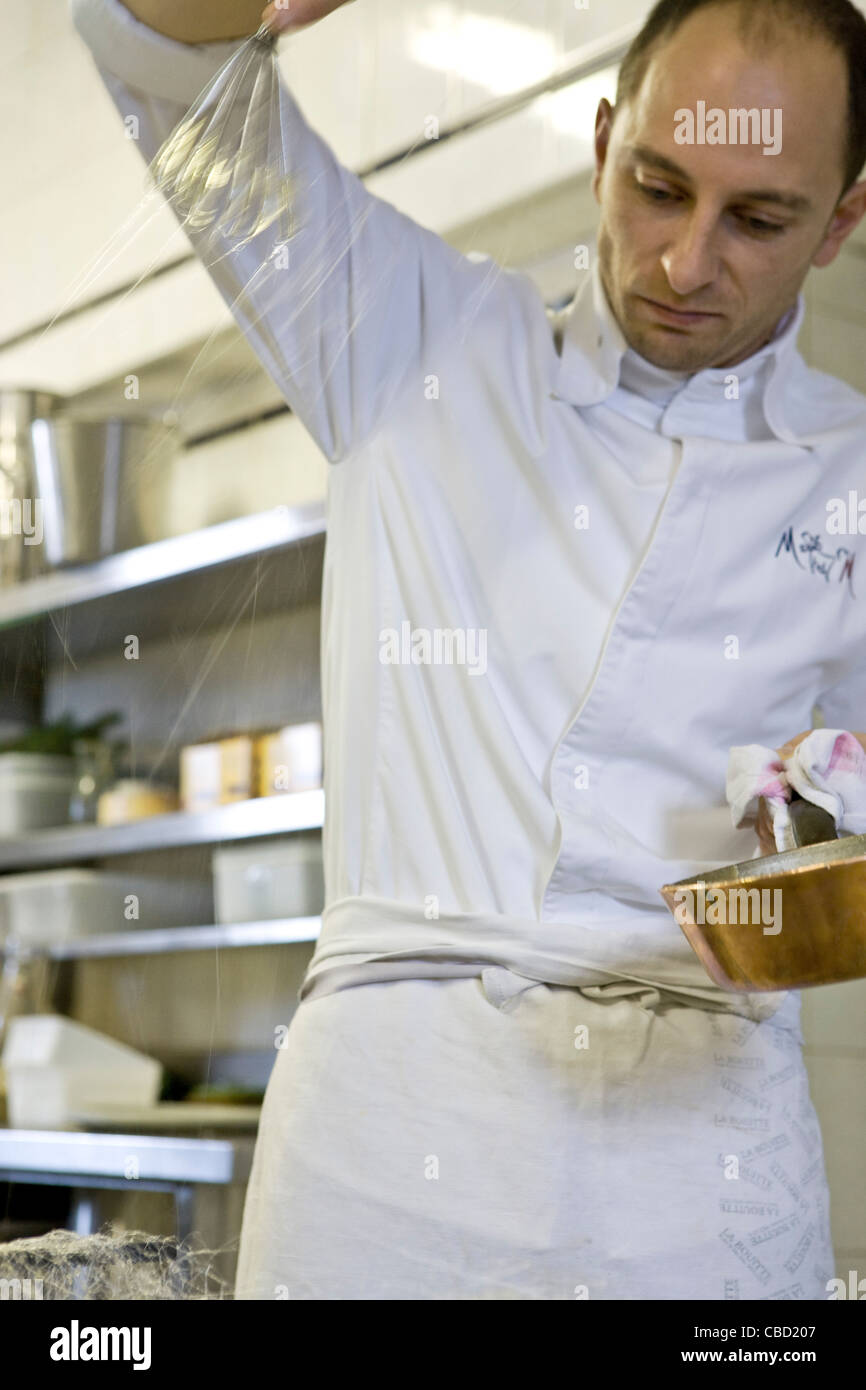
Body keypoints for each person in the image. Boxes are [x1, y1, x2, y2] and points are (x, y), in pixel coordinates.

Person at [70, 0, 866, 1299]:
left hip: (703, 1142)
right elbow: (154, 59)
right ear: (604, 144)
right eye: (656, 187)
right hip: (396, 1120)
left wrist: (821, 802)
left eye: (757, 219)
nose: (681, 262)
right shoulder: (413, 338)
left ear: (839, 220)